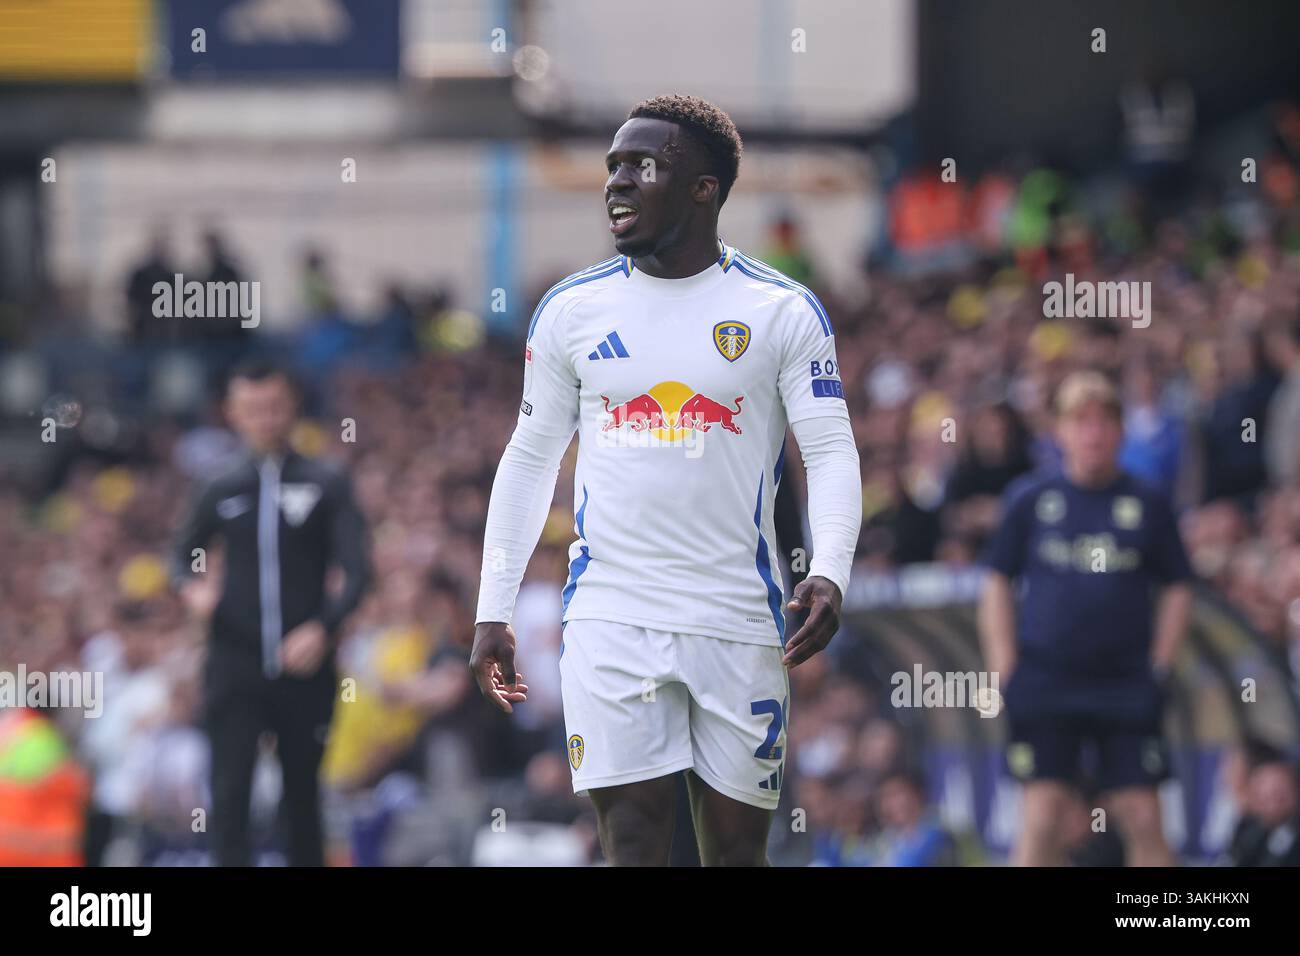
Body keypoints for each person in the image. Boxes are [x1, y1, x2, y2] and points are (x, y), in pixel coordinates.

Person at [471, 94, 862, 866]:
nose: (616, 183)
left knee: (736, 854)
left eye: (641, 166)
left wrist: (830, 570)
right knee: (634, 841)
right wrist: (493, 608)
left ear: (703, 189)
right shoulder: (571, 311)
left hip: (740, 618)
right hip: (611, 615)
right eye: (612, 166)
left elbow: (829, 451)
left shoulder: (781, 310)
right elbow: (529, 457)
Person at [978, 370, 1194, 866]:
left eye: (1104, 421)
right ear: (1060, 431)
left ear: (1120, 431)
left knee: (1142, 814)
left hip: (1125, 681)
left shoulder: (1147, 503)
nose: (1093, 433)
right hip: (1046, 679)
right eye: (1081, 421)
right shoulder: (1030, 500)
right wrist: (1004, 666)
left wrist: (1162, 663)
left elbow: (1179, 584)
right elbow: (996, 582)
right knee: (1043, 815)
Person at [171, 359, 372, 865]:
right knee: (229, 794)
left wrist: (323, 629)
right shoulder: (219, 484)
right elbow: (180, 556)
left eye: (274, 406)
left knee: (302, 797)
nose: (264, 418)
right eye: (252, 408)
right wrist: (194, 591)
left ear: (293, 407)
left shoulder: (326, 480)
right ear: (232, 412)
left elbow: (358, 571)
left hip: (304, 667)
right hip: (232, 664)